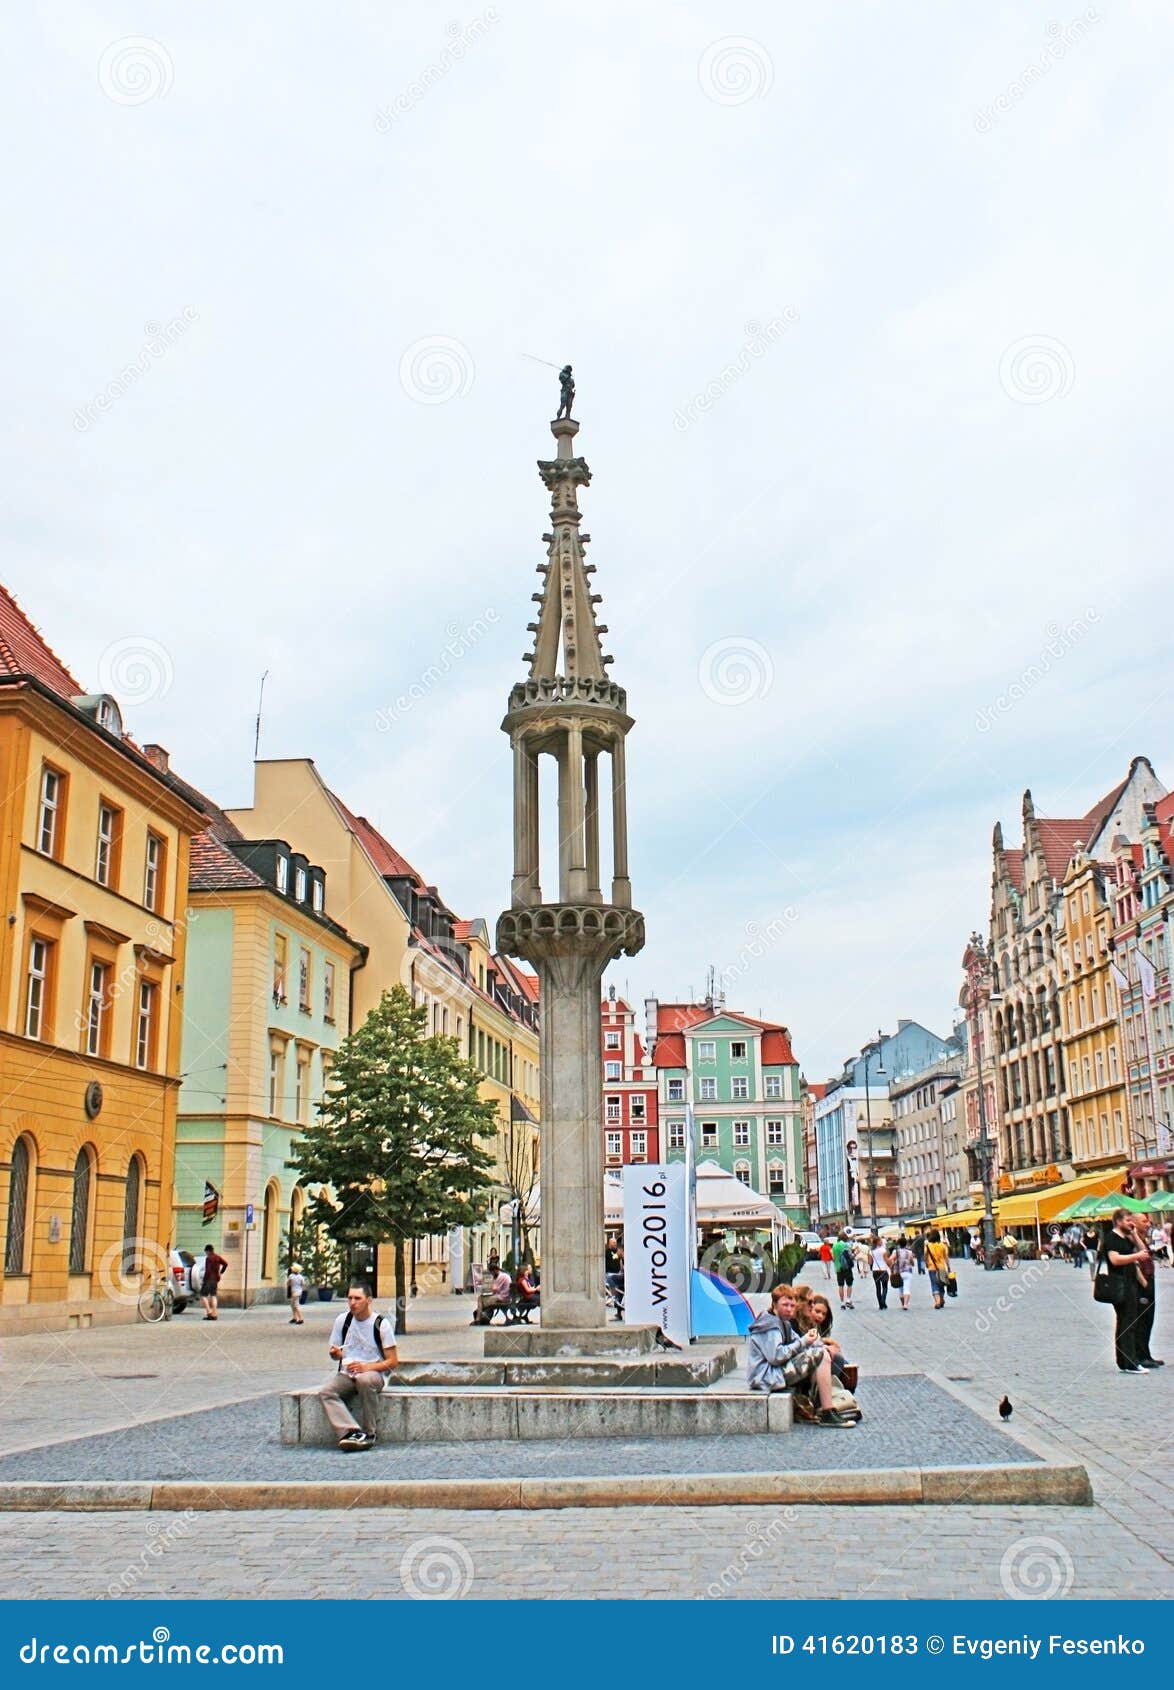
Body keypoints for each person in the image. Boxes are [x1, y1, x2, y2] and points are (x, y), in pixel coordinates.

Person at [745, 1284, 856, 1427]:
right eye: (785, 1305)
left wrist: (821, 1345)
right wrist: (806, 1342)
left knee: (823, 1354)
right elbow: (776, 1356)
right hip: (765, 1376)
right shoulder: (769, 1325)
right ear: (774, 1304)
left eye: (792, 1305)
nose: (789, 1309)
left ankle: (825, 1408)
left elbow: (798, 1341)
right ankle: (827, 1411)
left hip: (774, 1373)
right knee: (820, 1354)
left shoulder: (783, 1322)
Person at [317, 1282, 398, 1450]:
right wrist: (335, 1354)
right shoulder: (343, 1320)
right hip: (347, 1373)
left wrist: (366, 1367)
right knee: (326, 1392)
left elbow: (392, 1361)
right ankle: (350, 1432)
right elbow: (336, 1351)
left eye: (357, 1298)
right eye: (350, 1298)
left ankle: (369, 1433)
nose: (352, 1302)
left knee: (364, 1380)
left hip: (373, 1373)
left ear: (368, 1300)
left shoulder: (381, 1324)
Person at [1101, 1211, 1148, 1373]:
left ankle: (1123, 1361)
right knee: (1128, 1324)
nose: (1130, 1223)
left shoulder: (1126, 1237)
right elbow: (1115, 1259)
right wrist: (1135, 1256)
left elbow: (1144, 1251)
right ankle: (1130, 1362)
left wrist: (1134, 1234)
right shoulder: (1111, 1238)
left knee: (1126, 1322)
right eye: (1127, 1220)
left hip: (1130, 1284)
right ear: (1118, 1221)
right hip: (1120, 1285)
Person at [796, 1290, 858, 1392]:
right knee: (839, 1361)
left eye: (824, 1314)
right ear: (809, 1307)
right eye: (817, 1311)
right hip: (806, 1363)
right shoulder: (801, 1325)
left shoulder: (816, 1327)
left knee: (845, 1364)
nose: (820, 1316)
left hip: (814, 1360)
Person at [1128, 1214, 1163, 1369]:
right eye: (1144, 1221)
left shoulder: (1142, 1238)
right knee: (1142, 1320)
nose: (1148, 1224)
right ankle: (1140, 1355)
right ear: (1134, 1223)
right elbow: (1134, 1264)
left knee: (1148, 1319)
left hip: (1149, 1280)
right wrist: (1144, 1283)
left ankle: (1146, 1354)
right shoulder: (1132, 1239)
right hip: (1142, 1283)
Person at [199, 1244, 228, 1320]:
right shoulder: (217, 1257)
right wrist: (221, 1272)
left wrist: (204, 1279)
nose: (206, 1253)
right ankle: (215, 1314)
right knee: (213, 1296)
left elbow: (208, 1270)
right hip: (215, 1280)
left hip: (208, 1279)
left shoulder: (208, 1258)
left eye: (206, 1252)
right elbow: (226, 1264)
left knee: (203, 1295)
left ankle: (209, 1312)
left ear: (208, 1251)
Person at [924, 1229, 950, 1309]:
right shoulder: (942, 1245)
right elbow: (946, 1257)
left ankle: (937, 1301)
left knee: (934, 1284)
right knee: (941, 1283)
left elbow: (925, 1255)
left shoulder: (928, 1245)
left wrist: (926, 1263)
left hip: (932, 1267)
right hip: (941, 1267)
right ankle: (941, 1299)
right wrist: (949, 1267)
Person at [830, 1232, 855, 1309]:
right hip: (847, 1267)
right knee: (849, 1284)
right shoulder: (846, 1245)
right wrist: (854, 1255)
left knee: (840, 1285)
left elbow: (833, 1258)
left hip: (838, 1268)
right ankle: (848, 1300)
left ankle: (842, 1303)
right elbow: (850, 1256)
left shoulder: (834, 1246)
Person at [894, 1236, 915, 1309]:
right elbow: (912, 1262)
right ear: (906, 1244)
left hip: (898, 1272)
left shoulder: (895, 1252)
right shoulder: (909, 1252)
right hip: (907, 1272)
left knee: (900, 1289)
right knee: (907, 1288)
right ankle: (906, 1304)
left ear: (899, 1244)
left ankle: (903, 1304)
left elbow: (891, 1260)